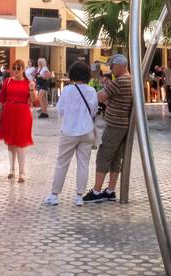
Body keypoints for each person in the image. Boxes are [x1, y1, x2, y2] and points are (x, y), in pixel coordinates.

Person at [46, 61, 99, 206]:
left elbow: (60, 110)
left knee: (62, 163)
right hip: (87, 131)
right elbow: (94, 111)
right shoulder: (92, 91)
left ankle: (54, 195)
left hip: (69, 131)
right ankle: (79, 197)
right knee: (83, 164)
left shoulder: (68, 90)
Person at [87, 53, 133, 202]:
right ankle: (110, 190)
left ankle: (96, 191)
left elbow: (99, 97)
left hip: (115, 125)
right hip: (124, 125)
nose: (111, 70)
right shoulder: (131, 80)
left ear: (120, 66)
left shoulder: (119, 82)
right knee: (116, 158)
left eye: (112, 67)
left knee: (103, 156)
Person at [0, 59, 35, 182]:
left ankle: (22, 172)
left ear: (23, 69)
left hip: (23, 114)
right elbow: (1, 99)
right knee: (10, 143)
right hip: (8, 114)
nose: (16, 70)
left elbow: (34, 100)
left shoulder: (28, 82)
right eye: (14, 68)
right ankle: (11, 170)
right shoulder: (7, 81)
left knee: (21, 143)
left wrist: (31, 89)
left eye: (19, 68)